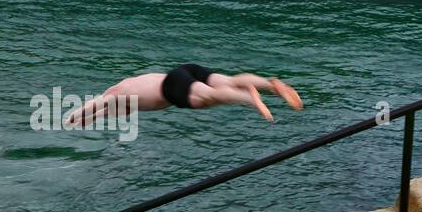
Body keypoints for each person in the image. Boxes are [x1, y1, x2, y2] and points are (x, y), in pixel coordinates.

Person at [64, 63, 302, 127]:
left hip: (172, 87)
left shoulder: (118, 94)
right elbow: (101, 112)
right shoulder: (127, 86)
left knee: (208, 97)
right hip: (185, 70)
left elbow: (99, 103)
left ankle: (250, 98)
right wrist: (89, 119)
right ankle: (269, 85)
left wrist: (72, 117)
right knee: (228, 81)